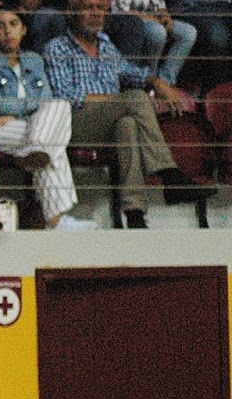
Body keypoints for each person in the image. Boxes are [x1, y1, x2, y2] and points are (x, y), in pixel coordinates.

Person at [45, 0, 210, 228]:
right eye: (89, 7)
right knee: (136, 99)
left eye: (101, 8)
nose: (96, 14)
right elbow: (66, 96)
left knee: (128, 125)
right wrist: (118, 101)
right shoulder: (57, 47)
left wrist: (157, 82)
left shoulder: (105, 44)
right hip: (76, 122)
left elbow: (130, 72)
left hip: (110, 121)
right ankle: (169, 173)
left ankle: (135, 215)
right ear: (73, 11)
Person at [0, 8, 95, 231]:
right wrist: (28, 110)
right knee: (51, 143)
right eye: (0, 26)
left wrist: (17, 113)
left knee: (59, 105)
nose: (7, 31)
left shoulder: (34, 60)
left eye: (13, 24)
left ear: (23, 29)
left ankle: (36, 152)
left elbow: (48, 99)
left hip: (27, 127)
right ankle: (57, 220)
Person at [107, 0, 195, 86]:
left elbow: (160, 6)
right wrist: (152, 19)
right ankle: (149, 80)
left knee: (188, 33)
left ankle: (165, 81)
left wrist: (166, 17)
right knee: (158, 32)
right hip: (133, 21)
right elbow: (121, 11)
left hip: (155, 19)